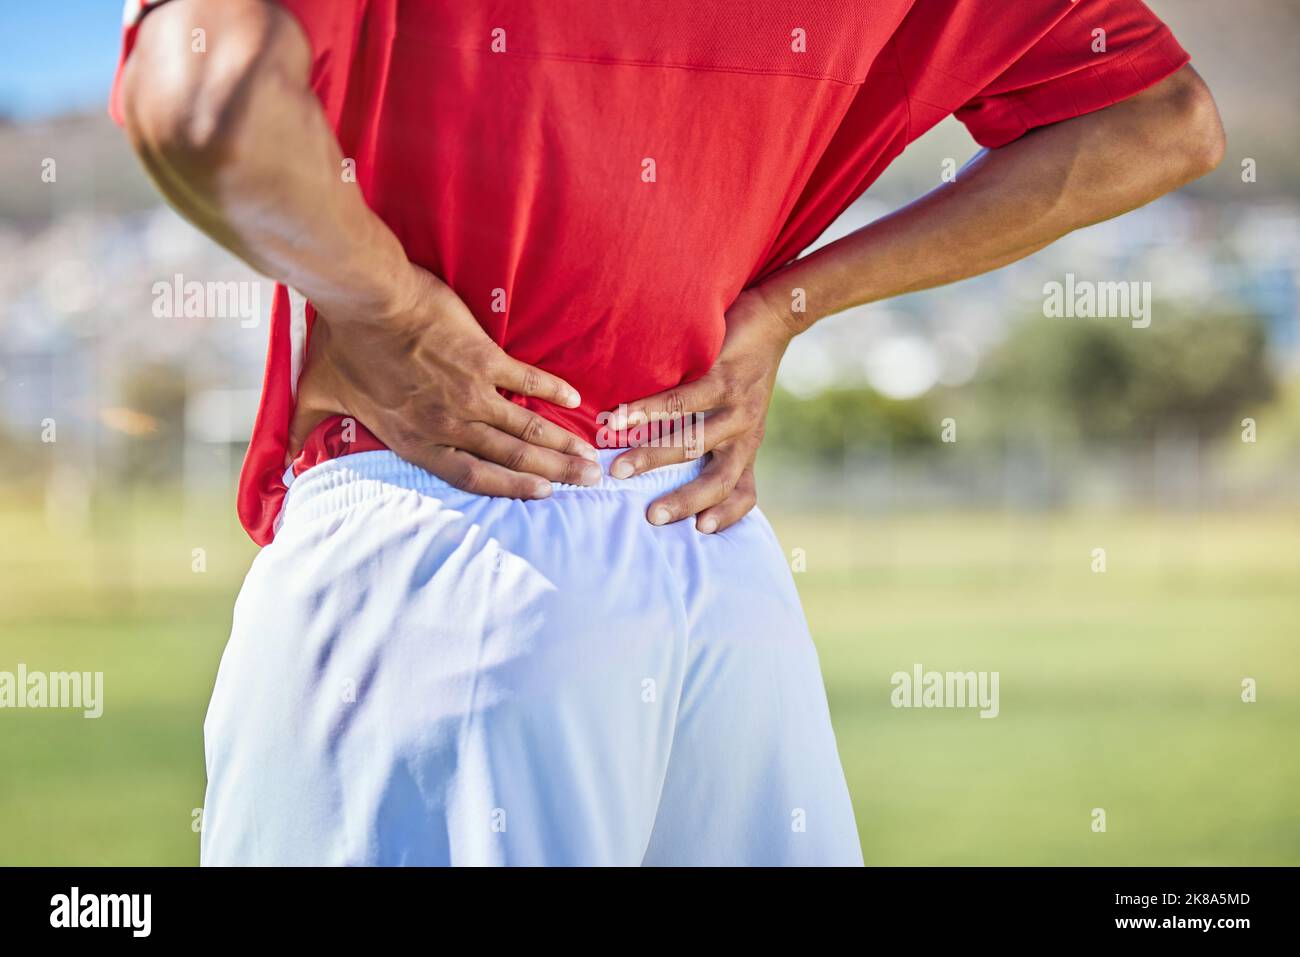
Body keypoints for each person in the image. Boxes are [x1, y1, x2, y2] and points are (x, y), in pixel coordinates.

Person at [112, 0, 1224, 865]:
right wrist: (787, 305)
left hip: (438, 554)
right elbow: (1165, 119)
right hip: (710, 559)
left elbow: (202, 94)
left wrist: (386, 310)